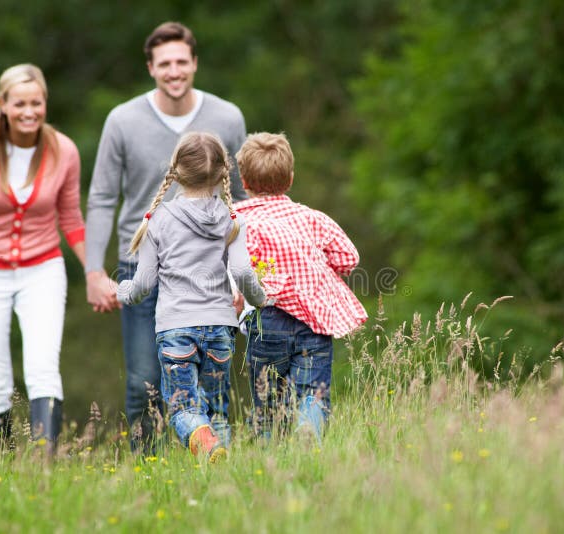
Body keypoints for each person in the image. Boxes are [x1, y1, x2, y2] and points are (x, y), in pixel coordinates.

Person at [85, 21, 248, 453]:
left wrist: (241, 284)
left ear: (194, 63)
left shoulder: (228, 118)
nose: (174, 71)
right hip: (143, 263)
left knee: (213, 388)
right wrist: (93, 271)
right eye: (164, 64)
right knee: (143, 382)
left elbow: (242, 201)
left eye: (181, 61)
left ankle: (213, 468)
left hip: (210, 270)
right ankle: (147, 472)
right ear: (150, 68)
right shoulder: (122, 121)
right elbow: (102, 197)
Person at [0, 63, 86, 455]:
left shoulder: (63, 150)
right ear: (3, 104)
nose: (29, 111)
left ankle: (43, 466)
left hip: (42, 268)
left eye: (36, 103)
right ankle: (2, 463)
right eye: (20, 103)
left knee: (42, 367)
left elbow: (71, 218)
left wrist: (93, 272)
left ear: (45, 104)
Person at [115, 132, 266, 462]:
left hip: (175, 329)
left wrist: (123, 292)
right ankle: (219, 470)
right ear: (223, 172)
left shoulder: (159, 220)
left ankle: (205, 443)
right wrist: (261, 298)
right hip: (219, 327)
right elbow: (241, 273)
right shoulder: (232, 220)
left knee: (183, 409)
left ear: (175, 170)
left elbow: (143, 284)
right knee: (217, 408)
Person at [234, 132, 368, 443]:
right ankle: (309, 428)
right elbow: (349, 257)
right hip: (314, 321)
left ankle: (269, 462)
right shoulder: (312, 219)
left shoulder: (237, 220)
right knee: (313, 391)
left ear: (243, 181)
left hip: (266, 321)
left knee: (267, 402)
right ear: (290, 179)